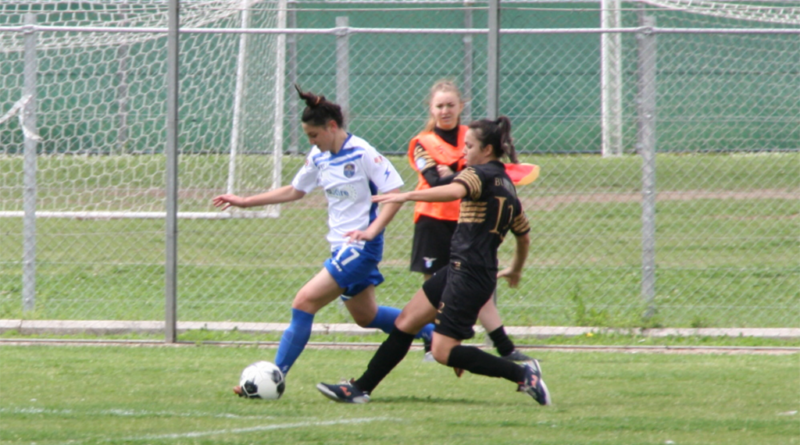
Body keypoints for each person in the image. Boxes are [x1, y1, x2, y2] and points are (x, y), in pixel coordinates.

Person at [316, 116, 551, 405]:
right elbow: (523, 236)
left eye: (469, 145)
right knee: (405, 322)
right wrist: (516, 268)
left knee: (442, 351)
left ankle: (523, 374)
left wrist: (406, 196)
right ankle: (360, 389)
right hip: (459, 270)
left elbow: (453, 190)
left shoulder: (477, 174)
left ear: (487, 150)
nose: (464, 151)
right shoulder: (508, 187)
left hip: (470, 276)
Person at [213, 85, 433, 391]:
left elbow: (394, 194)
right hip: (341, 247)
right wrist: (245, 201)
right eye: (308, 137)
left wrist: (372, 231)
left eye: (313, 135)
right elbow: (295, 190)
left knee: (303, 302)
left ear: (332, 127)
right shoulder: (319, 155)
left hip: (360, 248)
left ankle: (273, 377)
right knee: (366, 316)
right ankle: (431, 331)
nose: (311, 142)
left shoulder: (364, 153)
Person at [409, 80, 530, 362]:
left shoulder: (474, 135)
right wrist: (460, 170)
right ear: (431, 108)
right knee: (436, 288)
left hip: (469, 224)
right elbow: (435, 181)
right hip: (433, 220)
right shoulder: (423, 142)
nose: (445, 110)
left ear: (461, 106)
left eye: (451, 105)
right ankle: (434, 345)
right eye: (439, 106)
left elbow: (489, 172)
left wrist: (453, 169)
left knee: (472, 284)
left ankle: (505, 347)